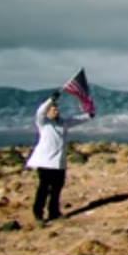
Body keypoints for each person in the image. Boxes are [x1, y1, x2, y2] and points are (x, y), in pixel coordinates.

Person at [26, 91, 94, 223]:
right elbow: (40, 111)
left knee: (57, 189)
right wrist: (51, 99)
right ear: (48, 112)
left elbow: (79, 119)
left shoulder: (63, 123)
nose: (55, 111)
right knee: (43, 189)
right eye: (52, 110)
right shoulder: (44, 123)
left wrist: (90, 114)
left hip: (59, 163)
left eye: (56, 109)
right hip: (45, 163)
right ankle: (38, 213)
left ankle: (54, 212)